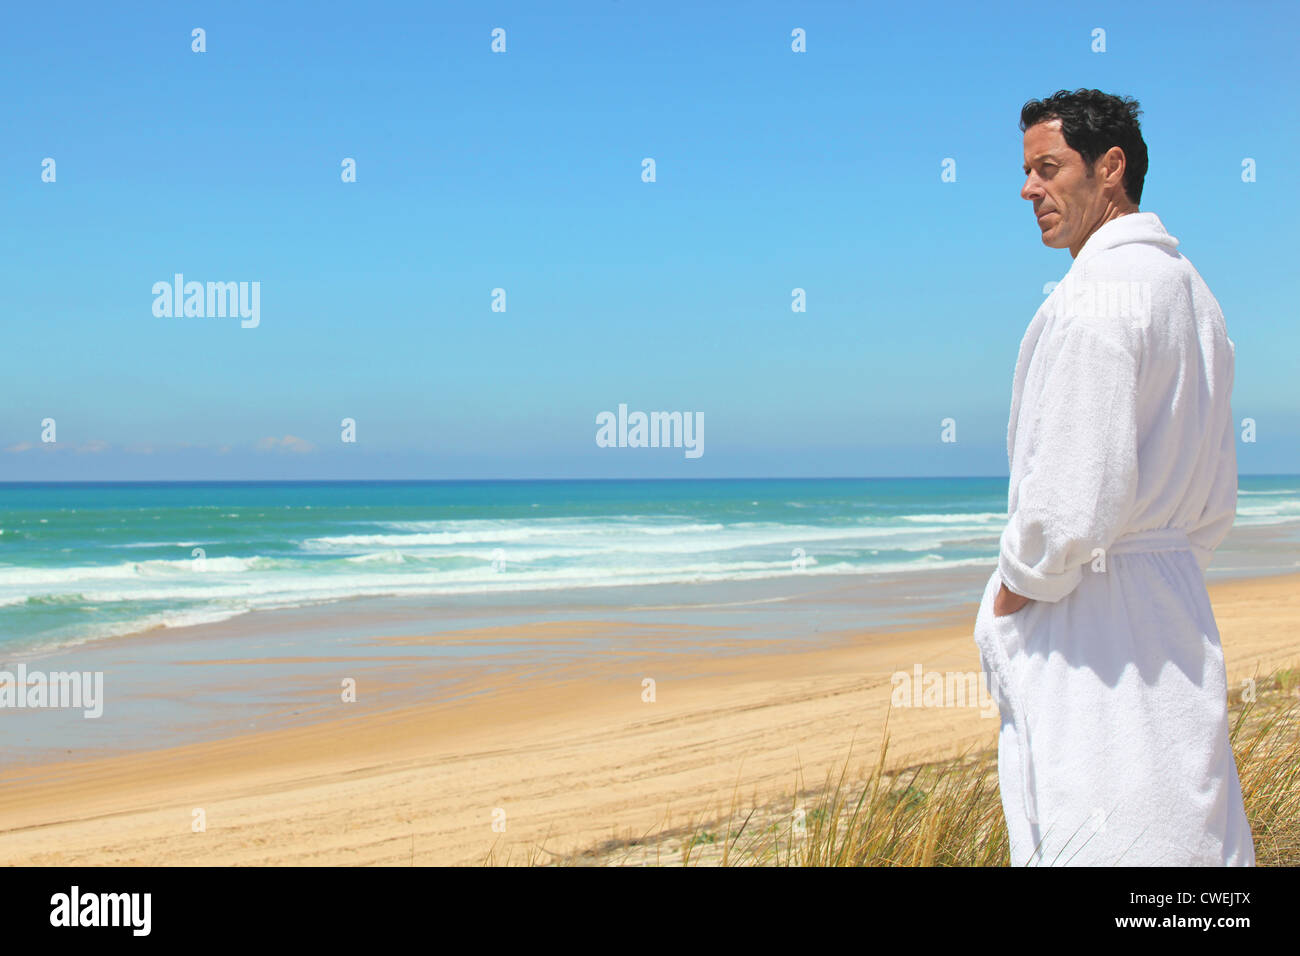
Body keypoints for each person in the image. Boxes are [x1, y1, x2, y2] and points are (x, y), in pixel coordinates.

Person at [975, 88, 1254, 865]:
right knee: (1189, 832)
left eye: (1047, 167)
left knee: (1104, 826)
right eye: (1027, 171)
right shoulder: (1195, 298)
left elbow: (1069, 508)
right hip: (1173, 599)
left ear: (1111, 167)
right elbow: (1215, 499)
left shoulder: (1098, 300)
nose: (1028, 189)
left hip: (1095, 625)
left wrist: (1011, 591)